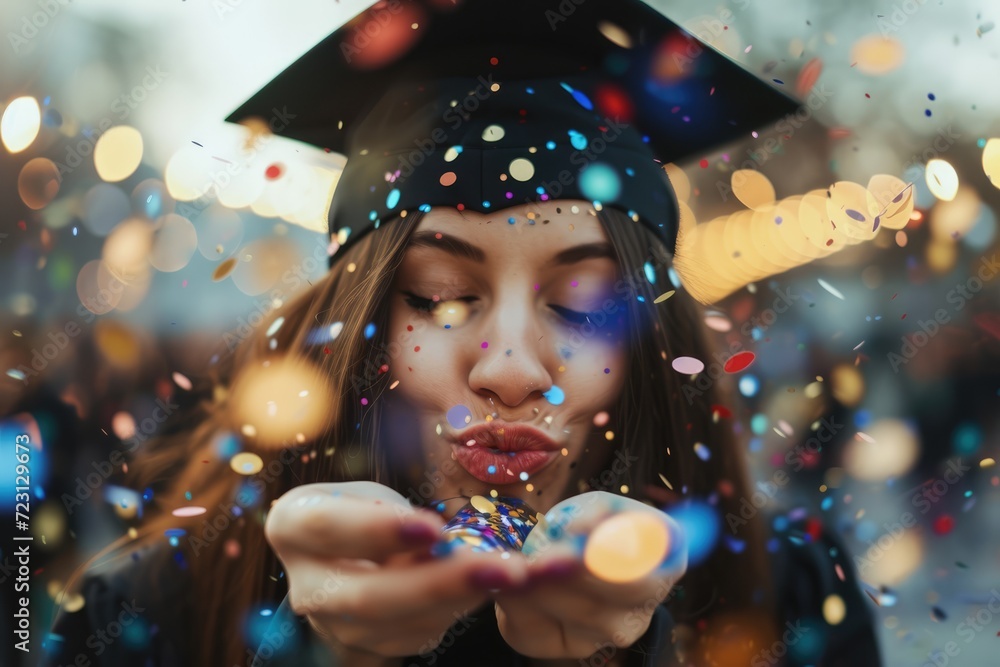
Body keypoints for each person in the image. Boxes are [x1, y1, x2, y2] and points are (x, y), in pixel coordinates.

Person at [42, 1, 884, 666]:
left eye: (585, 301)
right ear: (359, 324)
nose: (512, 369)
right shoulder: (152, 613)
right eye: (437, 295)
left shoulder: (788, 592)